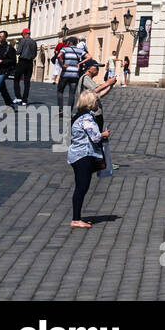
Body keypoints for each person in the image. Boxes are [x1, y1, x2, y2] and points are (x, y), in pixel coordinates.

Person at [67, 91, 108, 229]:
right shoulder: (87, 119)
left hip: (76, 154)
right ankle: (76, 219)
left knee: (81, 186)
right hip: (83, 155)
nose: (98, 104)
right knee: (82, 187)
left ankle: (77, 217)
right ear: (91, 103)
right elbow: (96, 137)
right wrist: (104, 134)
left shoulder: (78, 116)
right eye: (96, 102)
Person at [56, 37, 83, 111]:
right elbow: (89, 57)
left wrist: (62, 65)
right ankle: (68, 112)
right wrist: (80, 63)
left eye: (67, 42)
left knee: (60, 91)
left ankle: (60, 110)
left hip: (65, 74)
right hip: (75, 74)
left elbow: (58, 56)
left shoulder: (65, 49)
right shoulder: (79, 51)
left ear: (70, 42)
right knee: (72, 94)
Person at [14, 27, 37, 105]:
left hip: (22, 62)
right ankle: (25, 100)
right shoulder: (34, 42)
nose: (22, 36)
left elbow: (18, 52)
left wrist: (17, 49)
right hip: (30, 63)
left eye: (22, 34)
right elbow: (35, 55)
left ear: (24, 34)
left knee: (16, 79)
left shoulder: (22, 41)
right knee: (27, 82)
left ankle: (18, 97)